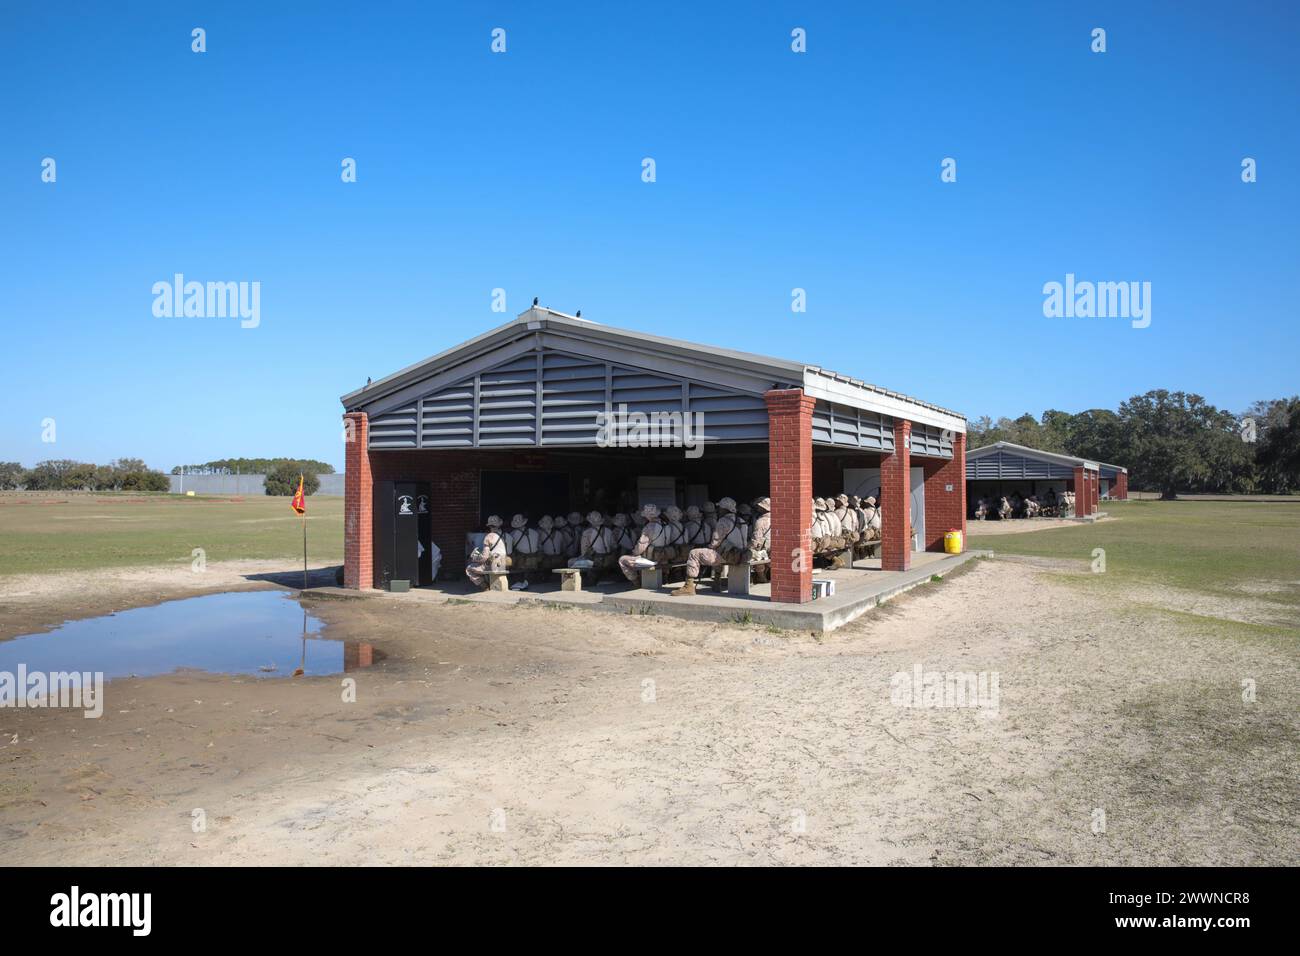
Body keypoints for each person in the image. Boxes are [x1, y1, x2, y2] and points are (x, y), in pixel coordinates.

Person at [674, 497, 745, 596]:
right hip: (740, 554)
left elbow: (716, 540)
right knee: (716, 553)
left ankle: (689, 586)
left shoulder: (723, 521)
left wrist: (710, 547)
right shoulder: (741, 520)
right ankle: (717, 582)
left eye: (720, 507)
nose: (718, 509)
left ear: (725, 509)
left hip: (727, 555)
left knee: (694, 553)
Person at [619, 503, 668, 582]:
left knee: (622, 559)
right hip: (665, 556)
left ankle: (636, 581)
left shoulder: (649, 527)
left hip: (652, 559)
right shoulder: (666, 525)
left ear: (647, 516)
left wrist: (633, 553)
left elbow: (641, 547)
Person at [466, 515, 509, 589]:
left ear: (489, 526)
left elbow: (484, 557)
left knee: (469, 568)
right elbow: (509, 552)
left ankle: (484, 586)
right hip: (506, 563)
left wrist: (474, 558)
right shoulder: (508, 536)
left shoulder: (489, 537)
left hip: (494, 564)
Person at [747, 496, 772, 583]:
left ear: (763, 508)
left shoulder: (761, 521)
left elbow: (756, 538)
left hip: (764, 547)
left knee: (753, 553)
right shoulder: (777, 519)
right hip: (773, 547)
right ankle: (765, 574)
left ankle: (761, 576)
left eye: (759, 507)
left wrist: (749, 547)